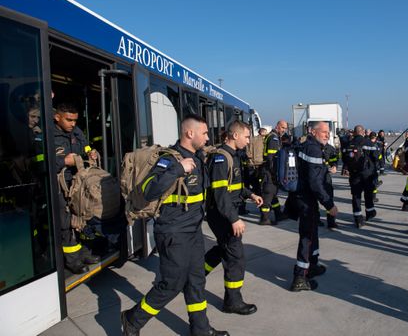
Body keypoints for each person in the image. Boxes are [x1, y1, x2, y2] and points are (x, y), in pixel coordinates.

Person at [121, 115, 229, 336]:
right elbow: (149, 190)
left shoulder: (198, 158)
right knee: (172, 284)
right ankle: (132, 319)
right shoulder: (169, 160)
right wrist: (177, 169)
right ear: (190, 133)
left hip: (193, 231)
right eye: (205, 132)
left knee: (196, 282)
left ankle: (201, 329)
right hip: (173, 232)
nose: (208, 137)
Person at [204, 120, 263, 315]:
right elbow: (221, 195)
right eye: (246, 137)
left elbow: (234, 186)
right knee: (235, 256)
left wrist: (250, 194)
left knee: (224, 248)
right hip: (222, 214)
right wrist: (233, 219)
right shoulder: (221, 158)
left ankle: (195, 275)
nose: (248, 141)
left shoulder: (232, 156)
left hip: (226, 211)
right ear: (235, 136)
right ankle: (232, 301)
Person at [289, 121, 338, 291]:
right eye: (323, 131)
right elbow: (315, 183)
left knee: (312, 232)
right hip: (307, 199)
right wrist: (329, 204)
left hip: (304, 198)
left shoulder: (306, 146)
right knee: (307, 237)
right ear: (313, 132)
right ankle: (300, 277)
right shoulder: (314, 149)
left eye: (328, 132)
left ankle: (313, 265)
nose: (327, 135)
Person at [54, 102, 99, 274]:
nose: (72, 124)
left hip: (77, 184)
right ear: (57, 117)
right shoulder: (46, 135)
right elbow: (38, 162)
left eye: (75, 120)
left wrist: (90, 152)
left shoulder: (76, 131)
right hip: (59, 186)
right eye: (68, 120)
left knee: (81, 218)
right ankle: (73, 261)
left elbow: (85, 144)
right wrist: (63, 162)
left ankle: (83, 252)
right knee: (65, 224)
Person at [344, 126, 378, 228]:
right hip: (367, 173)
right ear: (363, 132)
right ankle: (369, 213)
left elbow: (344, 158)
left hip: (354, 174)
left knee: (356, 196)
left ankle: (358, 219)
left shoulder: (348, 144)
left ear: (354, 133)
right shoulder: (367, 142)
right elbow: (376, 156)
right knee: (368, 194)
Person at [258, 120, 288, 225]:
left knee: (273, 193)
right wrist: (275, 172)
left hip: (269, 170)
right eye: (283, 127)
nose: (284, 130)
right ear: (277, 126)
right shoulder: (274, 138)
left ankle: (278, 214)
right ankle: (264, 218)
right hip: (269, 171)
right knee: (268, 192)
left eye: (285, 128)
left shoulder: (274, 137)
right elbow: (272, 158)